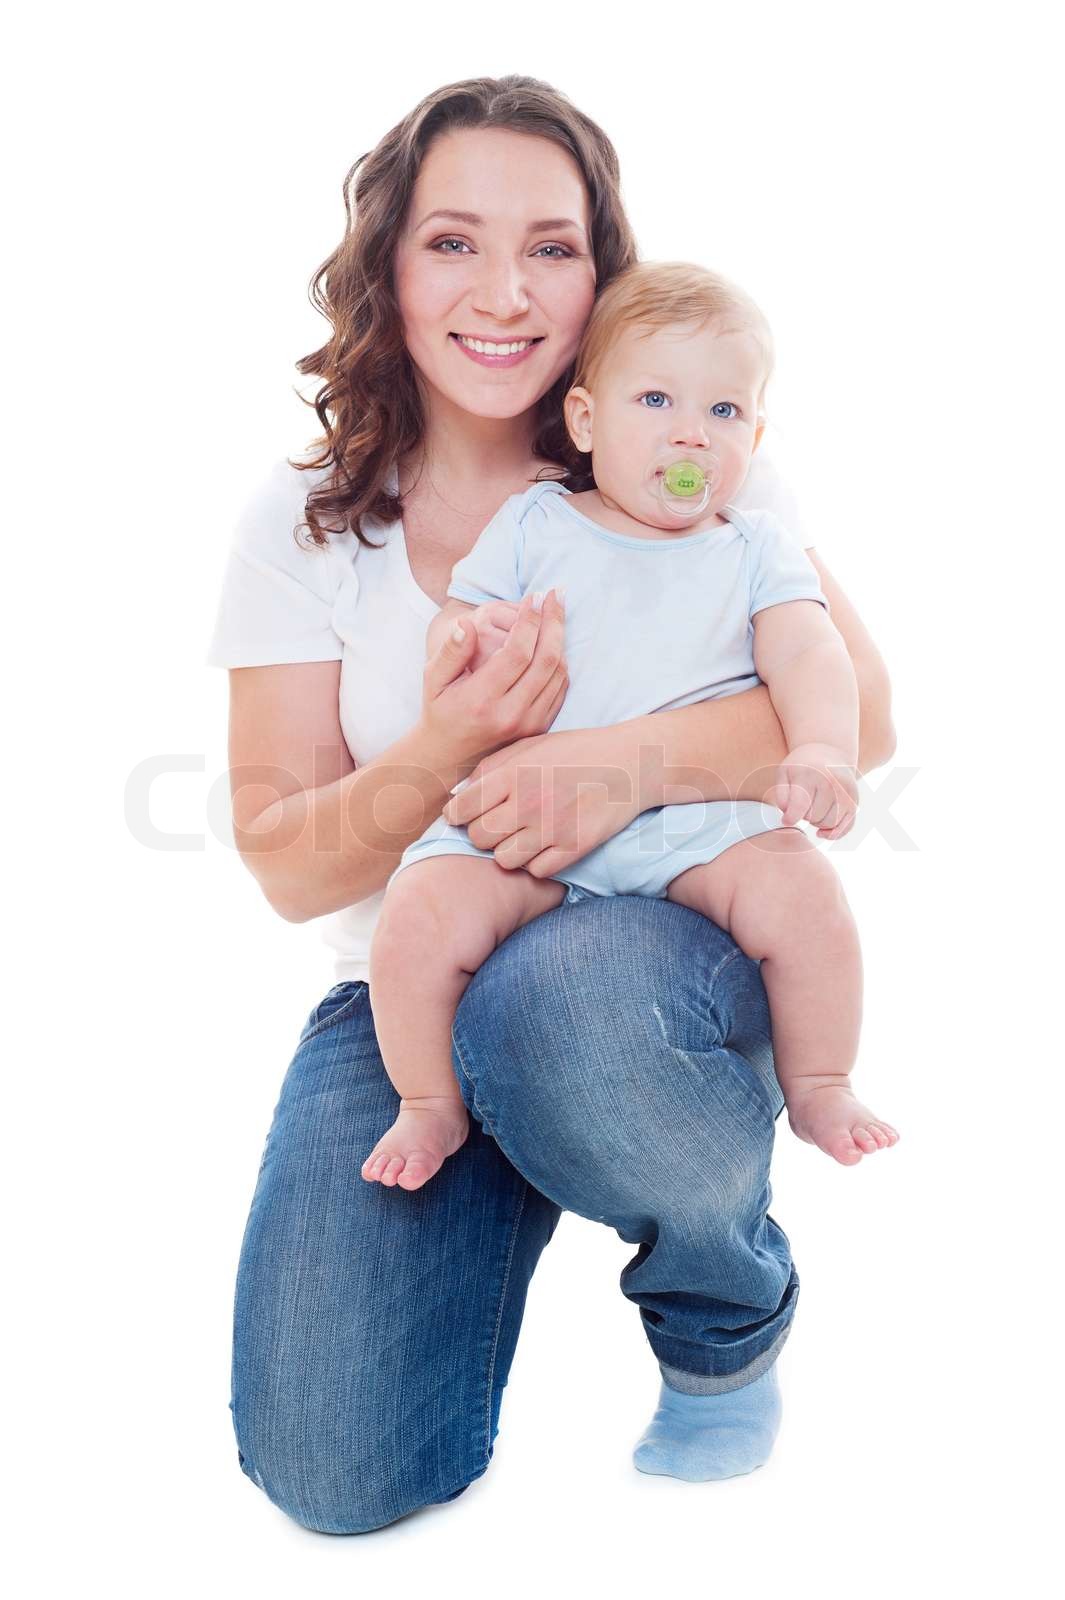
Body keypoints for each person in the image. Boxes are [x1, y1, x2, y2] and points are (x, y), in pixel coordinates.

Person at [206, 76, 897, 1534]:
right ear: (387, 263)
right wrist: (452, 740)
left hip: (650, 943)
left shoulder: (687, 451)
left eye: (554, 246)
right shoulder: (309, 516)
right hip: (422, 968)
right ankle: (480, 1121)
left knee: (576, 996)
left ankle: (721, 1311)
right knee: (336, 1472)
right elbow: (284, 865)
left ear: (604, 274)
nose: (504, 291)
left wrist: (616, 766)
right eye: (453, 242)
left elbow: (860, 712)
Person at [362, 261, 899, 1193]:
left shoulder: (752, 546)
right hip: (529, 828)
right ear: (584, 421)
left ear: (756, 436)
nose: (693, 431)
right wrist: (469, 636)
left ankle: (819, 1082)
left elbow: (811, 655)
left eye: (725, 412)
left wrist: (818, 748)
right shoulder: (535, 522)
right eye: (656, 399)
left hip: (692, 829)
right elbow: (466, 613)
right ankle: (427, 1102)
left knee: (806, 900)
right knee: (415, 915)